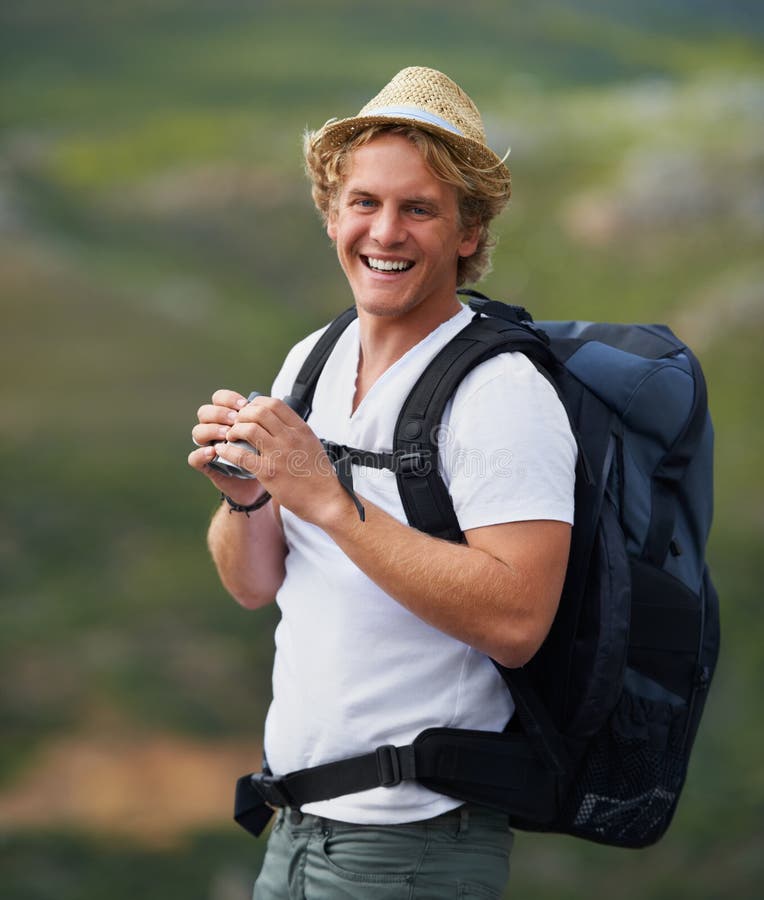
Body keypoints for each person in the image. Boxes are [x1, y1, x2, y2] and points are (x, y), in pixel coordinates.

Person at [189, 66, 576, 899]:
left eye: (419, 209)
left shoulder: (502, 394)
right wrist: (248, 494)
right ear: (332, 213)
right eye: (364, 202)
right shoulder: (313, 359)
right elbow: (255, 585)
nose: (384, 232)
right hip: (292, 831)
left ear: (470, 232)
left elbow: (517, 621)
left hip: (414, 851)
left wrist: (329, 497)